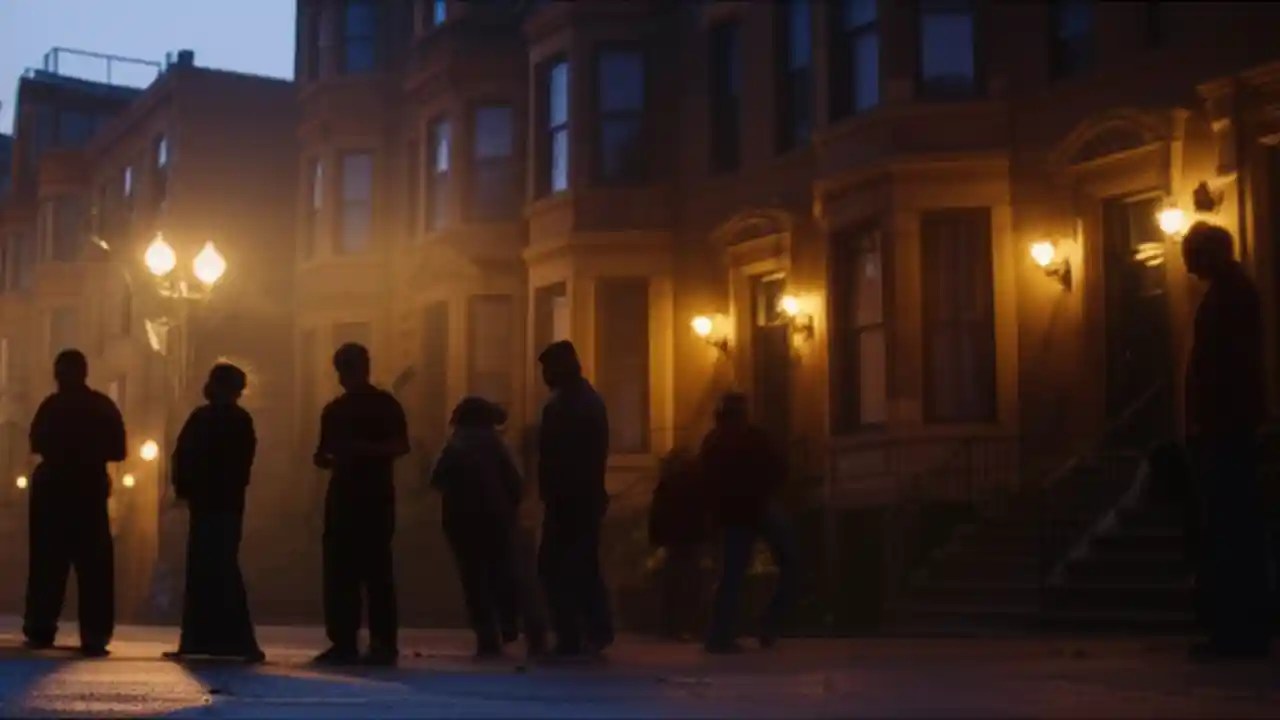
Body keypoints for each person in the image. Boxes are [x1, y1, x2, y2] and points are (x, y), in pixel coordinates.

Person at [1182, 222, 1273, 661]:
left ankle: (1240, 631)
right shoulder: (1229, 294)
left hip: (1227, 430)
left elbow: (1232, 366)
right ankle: (1236, 629)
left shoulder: (1232, 296)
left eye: (1191, 253)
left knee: (1231, 532)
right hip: (1224, 428)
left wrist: (1213, 422)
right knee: (1228, 531)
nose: (1186, 263)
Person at [23, 349, 127, 657]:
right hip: (88, 490)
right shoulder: (101, 406)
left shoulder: (51, 407)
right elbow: (119, 449)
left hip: (53, 491)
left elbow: (36, 442)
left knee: (47, 564)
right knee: (94, 566)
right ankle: (95, 633)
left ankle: (41, 626)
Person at [313, 343, 410, 666]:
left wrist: (356, 451)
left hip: (357, 496)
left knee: (354, 572)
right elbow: (397, 446)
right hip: (368, 495)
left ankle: (351, 642)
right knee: (369, 571)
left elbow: (398, 445)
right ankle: (372, 642)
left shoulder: (341, 409)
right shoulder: (381, 405)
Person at [165, 363, 264, 663]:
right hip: (226, 504)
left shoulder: (203, 419)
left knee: (206, 569)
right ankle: (232, 640)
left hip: (210, 504)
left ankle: (201, 638)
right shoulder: (239, 420)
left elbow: (182, 456)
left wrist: (184, 490)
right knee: (222, 567)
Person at [700, 392, 795, 654]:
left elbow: (706, 484)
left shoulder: (718, 443)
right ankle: (758, 625)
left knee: (733, 575)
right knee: (738, 574)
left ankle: (729, 632)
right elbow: (779, 468)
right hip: (748, 511)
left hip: (745, 512)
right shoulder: (744, 440)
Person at [536, 340, 614, 657]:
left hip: (570, 497)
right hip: (580, 495)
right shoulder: (584, 401)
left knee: (558, 567)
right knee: (581, 565)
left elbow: (562, 456)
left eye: (547, 369)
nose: (544, 375)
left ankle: (575, 634)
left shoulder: (568, 405)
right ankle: (593, 630)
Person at [431, 397, 522, 657]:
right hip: (496, 518)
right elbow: (514, 483)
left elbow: (436, 480)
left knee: (473, 579)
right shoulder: (496, 446)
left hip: (461, 520)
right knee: (500, 572)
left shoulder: (455, 446)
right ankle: (508, 623)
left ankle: (486, 636)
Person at [648, 447, 709, 641]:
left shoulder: (668, 485)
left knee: (674, 582)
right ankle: (685, 626)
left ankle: (669, 626)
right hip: (689, 537)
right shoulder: (696, 483)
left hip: (677, 538)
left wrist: (657, 537)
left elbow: (657, 513)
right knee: (689, 581)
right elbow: (703, 511)